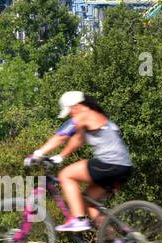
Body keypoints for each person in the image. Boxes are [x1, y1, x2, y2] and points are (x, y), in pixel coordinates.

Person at [28, 90, 133, 233]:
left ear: (76, 106)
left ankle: (78, 220)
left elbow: (62, 136)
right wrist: (61, 156)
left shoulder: (85, 115)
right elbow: (77, 140)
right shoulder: (97, 117)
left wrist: (38, 153)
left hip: (110, 164)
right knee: (88, 202)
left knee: (65, 175)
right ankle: (113, 240)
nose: (70, 115)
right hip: (123, 167)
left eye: (70, 111)